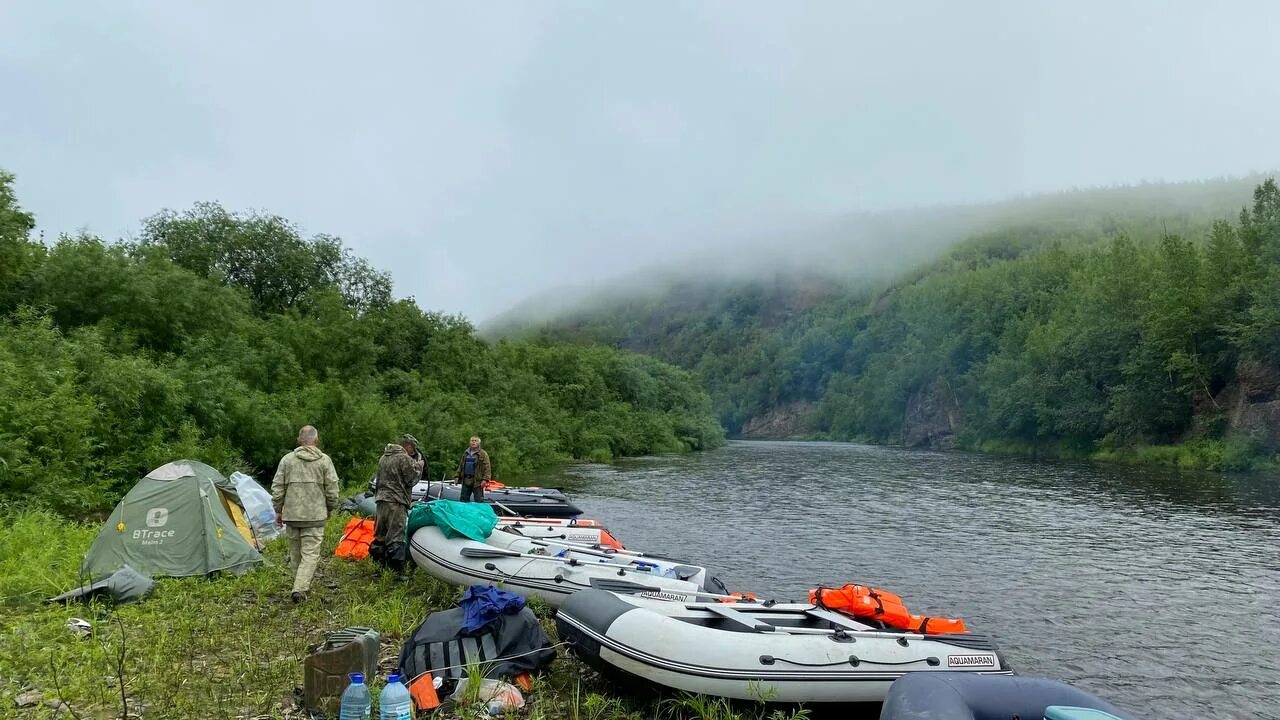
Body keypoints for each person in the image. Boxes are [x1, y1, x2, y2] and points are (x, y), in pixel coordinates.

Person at [271, 425, 340, 603]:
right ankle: (300, 589)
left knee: (296, 553)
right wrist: (330, 507)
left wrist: (278, 510)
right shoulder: (325, 461)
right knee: (310, 554)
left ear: (299, 440)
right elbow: (332, 489)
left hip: (292, 514)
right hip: (315, 515)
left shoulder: (287, 460)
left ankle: (299, 585)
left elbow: (277, 488)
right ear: (316, 441)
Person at [372, 433, 419, 570]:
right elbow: (411, 479)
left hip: (381, 500)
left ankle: (379, 566)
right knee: (396, 535)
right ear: (408, 446)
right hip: (396, 501)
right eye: (413, 449)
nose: (413, 452)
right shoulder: (403, 458)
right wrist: (418, 466)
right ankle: (396, 571)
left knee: (381, 534)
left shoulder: (384, 457)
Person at [453, 435, 491, 503]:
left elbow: (487, 468)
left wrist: (485, 480)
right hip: (466, 479)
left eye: (475, 441)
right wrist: (457, 476)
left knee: (479, 500)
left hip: (477, 481)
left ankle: (479, 513)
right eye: (472, 441)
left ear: (479, 443)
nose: (473, 442)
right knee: (463, 500)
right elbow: (461, 466)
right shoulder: (466, 453)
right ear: (470, 442)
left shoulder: (483, 454)